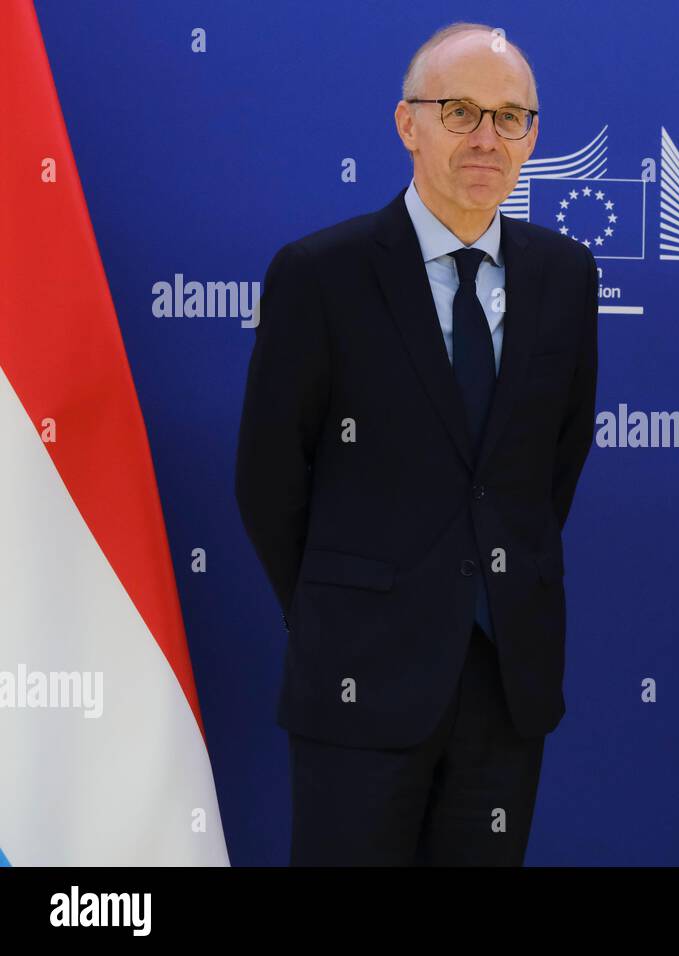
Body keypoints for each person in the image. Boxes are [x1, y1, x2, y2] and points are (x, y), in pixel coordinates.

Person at [235, 21, 598, 865]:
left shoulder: (566, 275)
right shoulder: (320, 274)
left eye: (510, 118)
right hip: (357, 676)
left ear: (533, 136)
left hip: (506, 677)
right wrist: (344, 607)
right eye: (460, 110)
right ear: (408, 124)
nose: (486, 137)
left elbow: (555, 463)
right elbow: (267, 478)